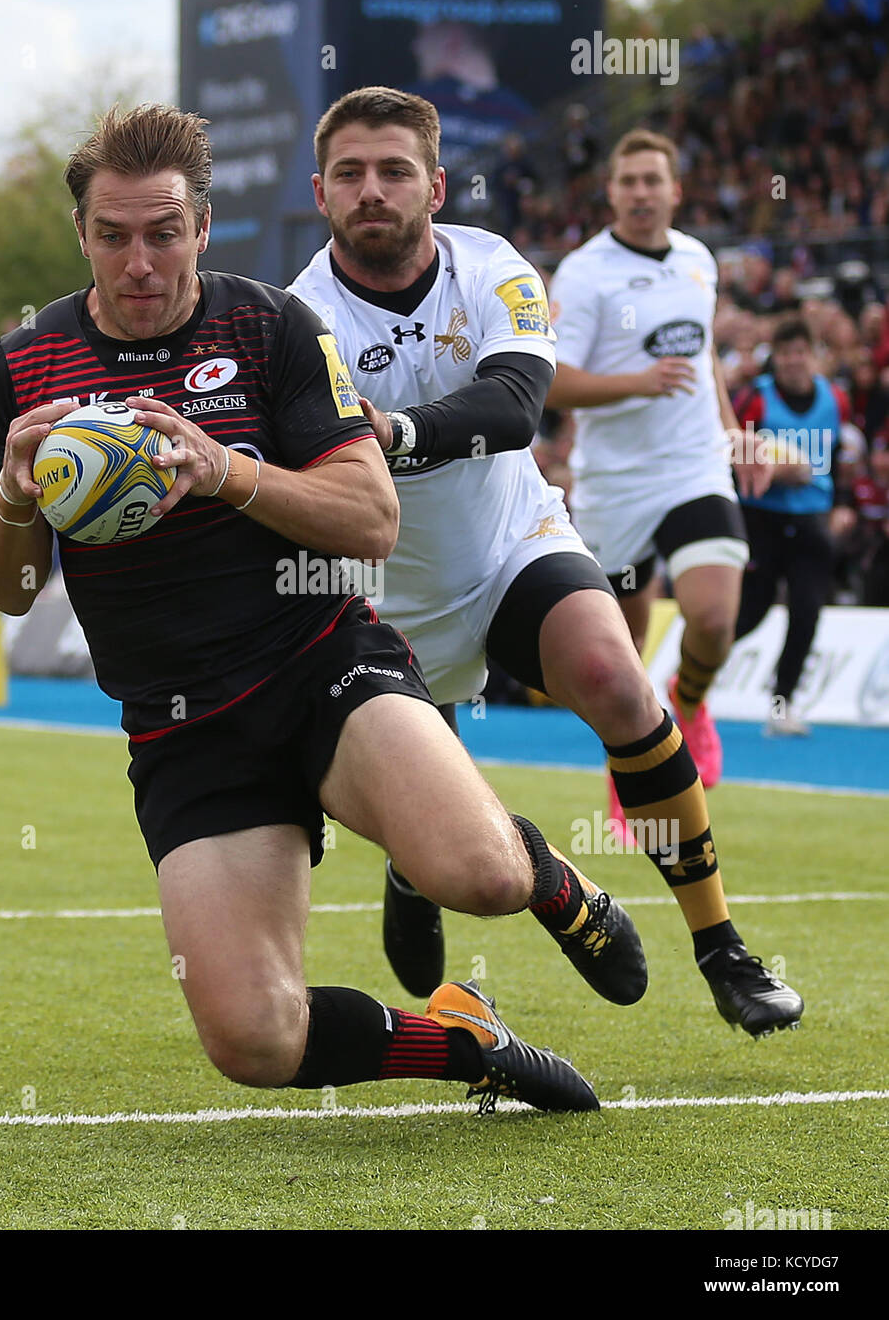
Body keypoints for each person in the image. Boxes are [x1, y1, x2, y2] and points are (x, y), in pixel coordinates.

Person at [0, 103, 636, 1117]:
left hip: (321, 663)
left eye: (162, 234)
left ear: (201, 228)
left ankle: (543, 874)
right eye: (113, 237)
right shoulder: (23, 369)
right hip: (184, 724)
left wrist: (222, 470)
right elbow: (7, 587)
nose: (138, 262)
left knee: (478, 877)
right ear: (82, 235)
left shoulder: (272, 326)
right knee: (253, 1038)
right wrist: (14, 496)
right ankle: (464, 1042)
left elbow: (368, 518)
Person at [290, 91, 801, 1038]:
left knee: (615, 679)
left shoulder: (492, 266)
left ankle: (723, 949)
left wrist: (395, 429)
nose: (374, 190)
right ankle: (412, 865)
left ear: (434, 186)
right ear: (320, 192)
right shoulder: (295, 320)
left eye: (395, 170)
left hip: (514, 542)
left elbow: (516, 407)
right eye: (351, 173)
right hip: (386, 596)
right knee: (431, 824)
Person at [733, 319, 850, 735]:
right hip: (761, 519)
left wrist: (841, 504)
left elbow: (835, 458)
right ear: (775, 358)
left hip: (811, 520)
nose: (793, 361)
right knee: (750, 611)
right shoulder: (755, 400)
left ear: (813, 355)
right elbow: (730, 453)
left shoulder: (834, 400)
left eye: (801, 352)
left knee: (806, 613)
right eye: (785, 354)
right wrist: (777, 470)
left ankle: (782, 706)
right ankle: (690, 678)